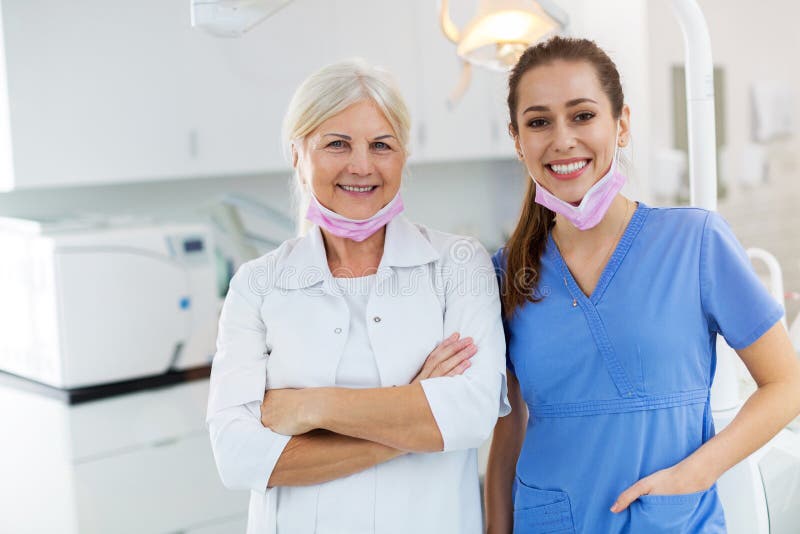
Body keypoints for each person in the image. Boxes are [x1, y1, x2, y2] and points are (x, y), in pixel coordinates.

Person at [485, 36, 800, 534]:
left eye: (582, 115)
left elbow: (787, 383)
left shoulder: (695, 241)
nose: (562, 139)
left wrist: (696, 473)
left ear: (622, 124)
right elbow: (508, 430)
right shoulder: (507, 272)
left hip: (672, 522)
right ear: (518, 139)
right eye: (539, 121)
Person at [206, 59, 510, 534]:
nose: (361, 165)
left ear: (403, 155)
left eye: (381, 145)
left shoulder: (458, 264)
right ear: (297, 155)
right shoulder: (257, 284)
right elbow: (237, 456)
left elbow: (470, 416)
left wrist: (312, 408)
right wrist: (416, 413)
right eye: (337, 144)